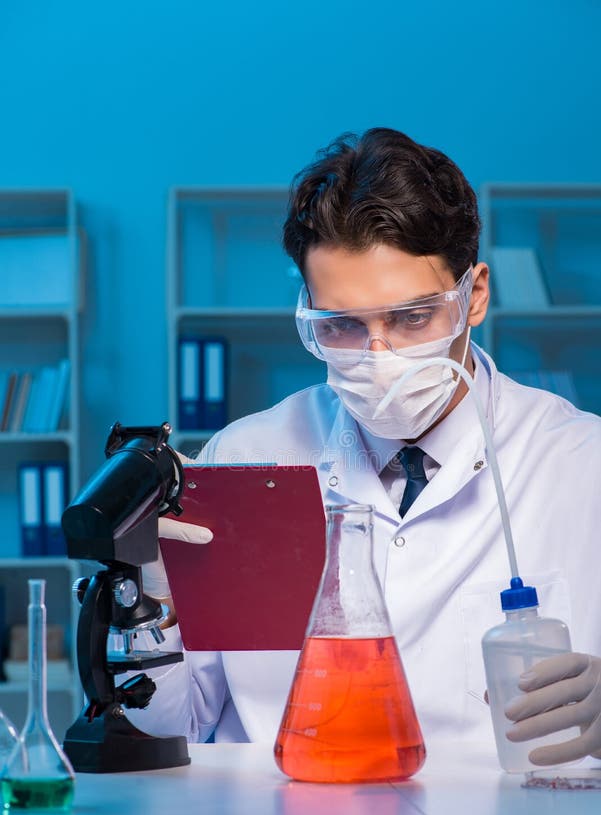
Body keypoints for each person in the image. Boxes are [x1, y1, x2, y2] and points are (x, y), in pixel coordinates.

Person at [130, 127, 601, 764]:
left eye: (413, 318)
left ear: (474, 296)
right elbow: (175, 726)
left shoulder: (582, 464)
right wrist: (147, 601)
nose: (379, 356)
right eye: (342, 325)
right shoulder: (244, 457)